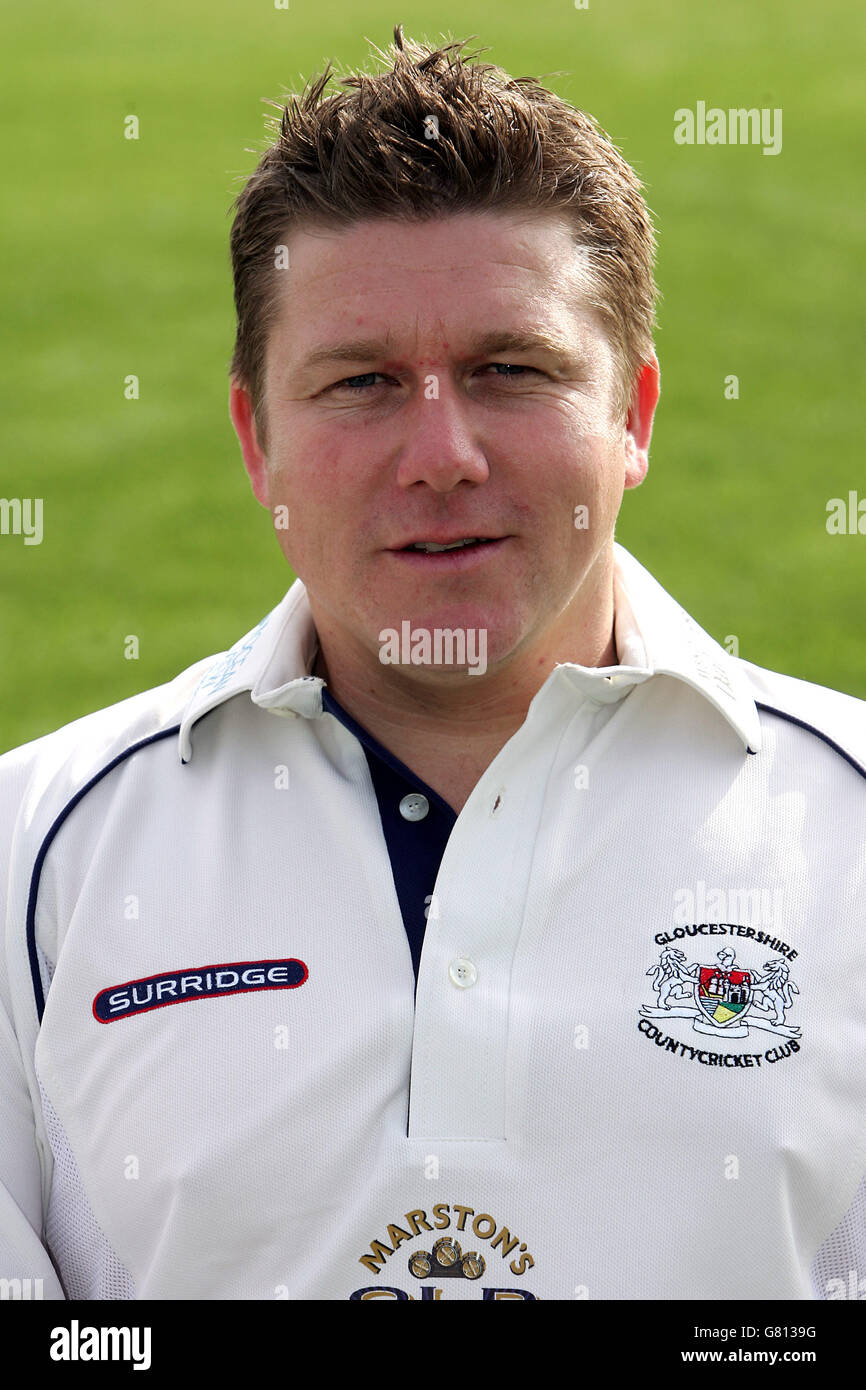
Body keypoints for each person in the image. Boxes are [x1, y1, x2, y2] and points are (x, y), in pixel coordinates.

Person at [1, 25, 863, 1304]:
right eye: (360, 383)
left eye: (508, 370)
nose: (440, 455)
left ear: (630, 416)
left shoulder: (844, 828)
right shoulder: (34, 854)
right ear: (256, 439)